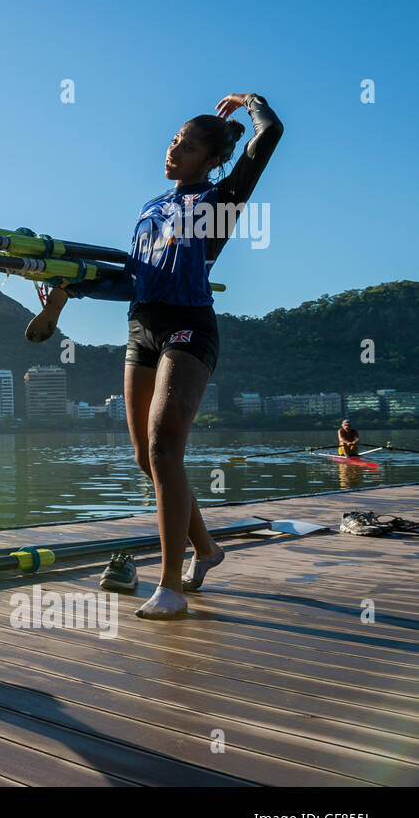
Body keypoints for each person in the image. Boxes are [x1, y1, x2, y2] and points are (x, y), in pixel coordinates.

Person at [25, 93, 283, 618]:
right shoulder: (150, 207)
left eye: (187, 147)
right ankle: (208, 550)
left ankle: (170, 585)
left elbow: (270, 133)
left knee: (166, 451)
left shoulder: (221, 200)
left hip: (190, 327)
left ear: (211, 160)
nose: (174, 150)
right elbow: (132, 280)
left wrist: (250, 102)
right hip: (141, 327)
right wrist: (70, 287)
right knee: (146, 457)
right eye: (173, 141)